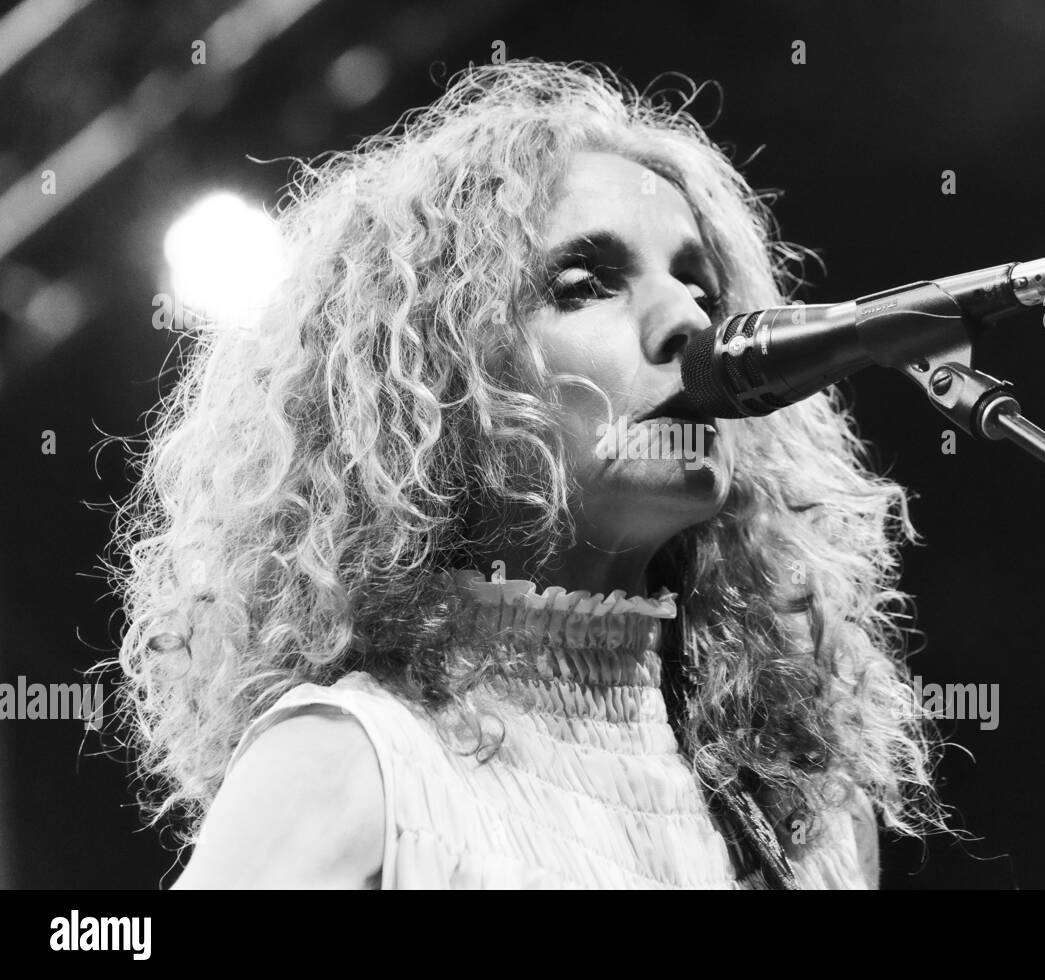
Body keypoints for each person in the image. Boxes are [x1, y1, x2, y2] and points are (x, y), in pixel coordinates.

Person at [109, 59, 942, 889]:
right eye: (585, 285)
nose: (690, 324)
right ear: (445, 377)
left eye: (701, 288)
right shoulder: (350, 763)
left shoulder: (808, 820)